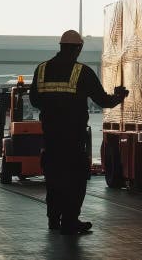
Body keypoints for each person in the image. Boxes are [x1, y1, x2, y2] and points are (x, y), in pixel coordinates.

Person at [30, 30, 127, 235]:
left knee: (54, 179)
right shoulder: (82, 72)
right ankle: (70, 221)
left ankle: (54, 220)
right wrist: (119, 96)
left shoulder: (41, 69)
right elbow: (103, 101)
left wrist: (53, 107)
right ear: (78, 48)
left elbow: (34, 100)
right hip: (73, 138)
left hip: (51, 137)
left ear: (61, 46)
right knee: (75, 180)